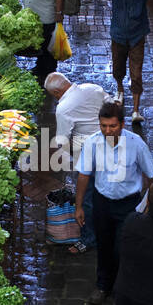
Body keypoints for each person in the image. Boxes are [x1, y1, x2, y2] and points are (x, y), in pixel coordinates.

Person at [75, 100, 153, 305]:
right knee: (103, 245)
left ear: (122, 124)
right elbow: (84, 176)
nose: (107, 130)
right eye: (103, 126)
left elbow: (152, 176)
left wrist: (148, 204)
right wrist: (78, 206)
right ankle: (103, 285)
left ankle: (124, 287)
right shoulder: (92, 143)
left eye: (112, 126)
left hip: (129, 204)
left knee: (123, 247)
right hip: (101, 202)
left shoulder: (136, 144)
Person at [45, 71, 107, 254]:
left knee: (87, 199)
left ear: (56, 93)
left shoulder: (63, 108)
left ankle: (88, 239)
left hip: (89, 159)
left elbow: (62, 142)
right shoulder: (93, 88)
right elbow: (115, 106)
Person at [102, 0, 153, 123]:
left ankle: (136, 110)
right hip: (119, 35)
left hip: (137, 37)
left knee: (136, 74)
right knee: (118, 68)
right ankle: (119, 89)